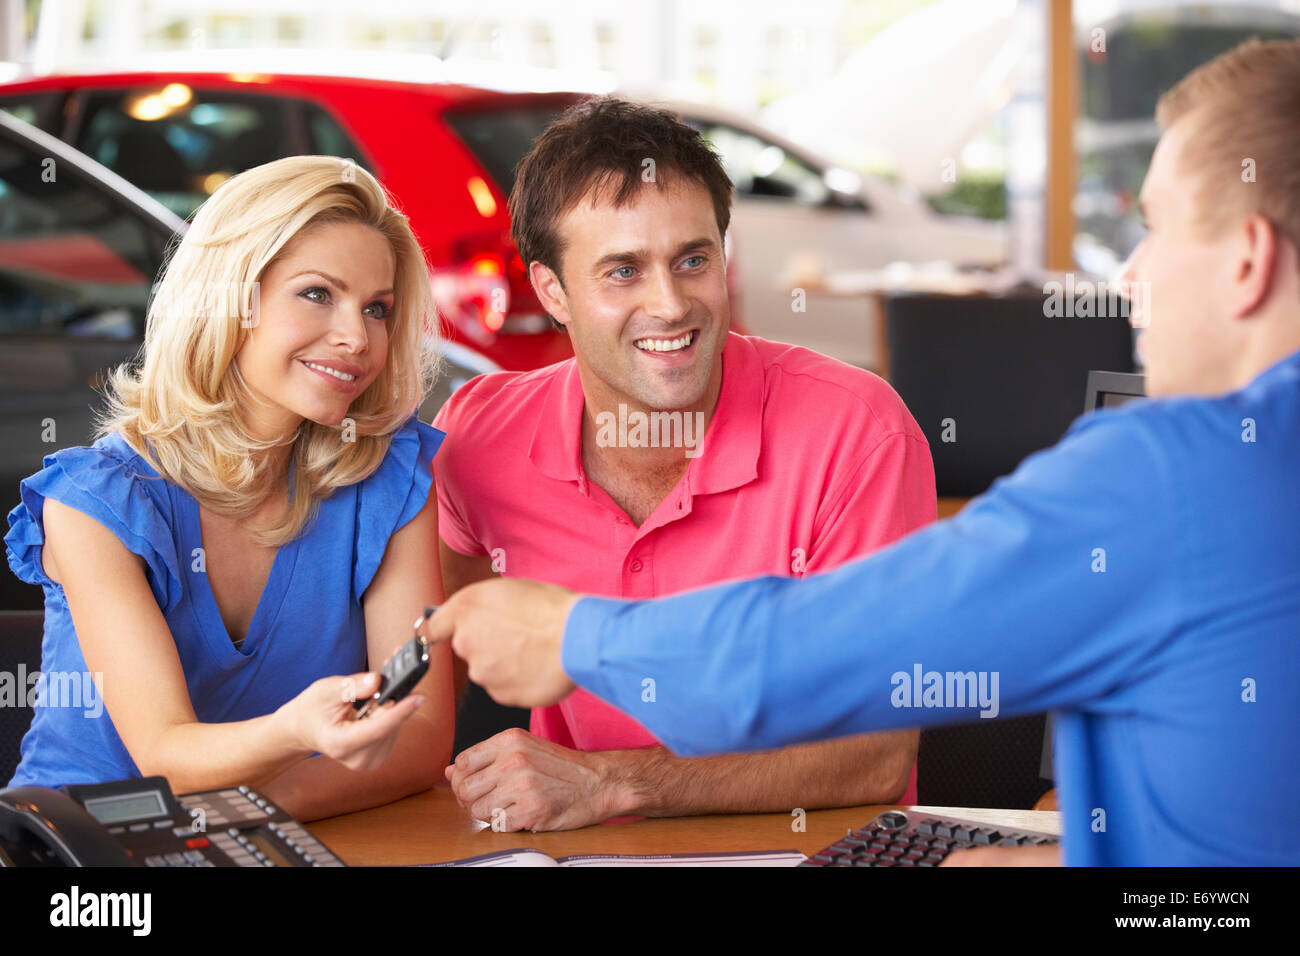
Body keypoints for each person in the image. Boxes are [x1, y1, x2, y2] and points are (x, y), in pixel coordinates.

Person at [426, 39, 1300, 865]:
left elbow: (822, 648)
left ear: (1248, 261)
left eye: (1155, 230)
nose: (1130, 276)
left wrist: (577, 637)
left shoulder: (1170, 474)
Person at [434, 97, 935, 832]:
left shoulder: (858, 431)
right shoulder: (480, 434)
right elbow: (425, 669)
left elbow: (874, 755)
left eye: (692, 260)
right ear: (551, 291)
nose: (670, 305)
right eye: (623, 271)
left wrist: (614, 783)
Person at [4, 156, 454, 822]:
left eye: (378, 308)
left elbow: (418, 740)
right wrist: (297, 735)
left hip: (284, 833)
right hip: (81, 847)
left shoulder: (386, 478)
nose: (357, 337)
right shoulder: (94, 500)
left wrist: (268, 805)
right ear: (229, 297)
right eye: (317, 294)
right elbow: (168, 756)